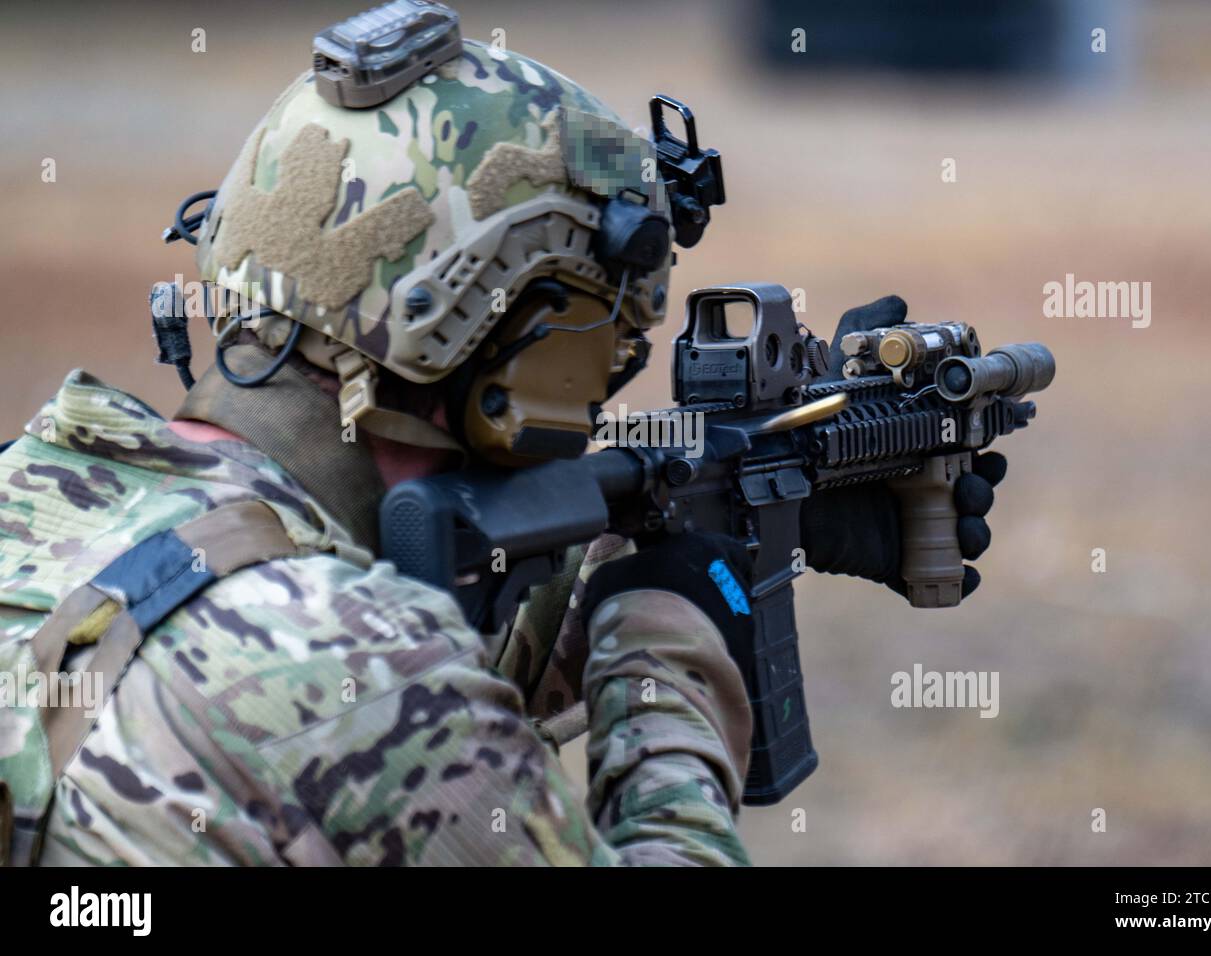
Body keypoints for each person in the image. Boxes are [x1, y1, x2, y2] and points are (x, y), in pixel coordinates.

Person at [0, 5, 1002, 866]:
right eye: (607, 337)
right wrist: (666, 648)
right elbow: (390, 699)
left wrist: (678, 539)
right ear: (507, 335)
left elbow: (360, 699)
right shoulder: (369, 672)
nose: (604, 380)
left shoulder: (38, 494)